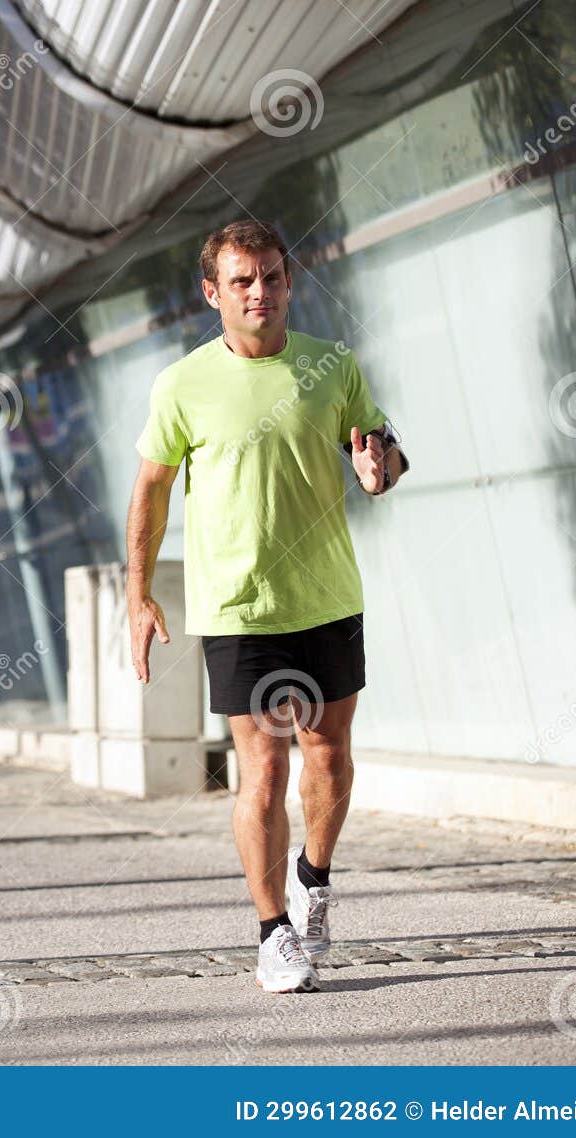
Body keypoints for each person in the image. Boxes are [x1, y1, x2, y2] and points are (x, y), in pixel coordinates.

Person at [126, 219, 409, 994]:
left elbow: (383, 449)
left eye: (273, 277)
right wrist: (139, 592)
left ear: (291, 282)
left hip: (327, 597)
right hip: (238, 607)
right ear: (213, 292)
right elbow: (149, 489)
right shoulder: (181, 384)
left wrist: (378, 468)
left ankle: (314, 878)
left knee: (328, 754)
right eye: (243, 280)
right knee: (264, 764)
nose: (261, 292)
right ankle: (271, 931)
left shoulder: (332, 365)